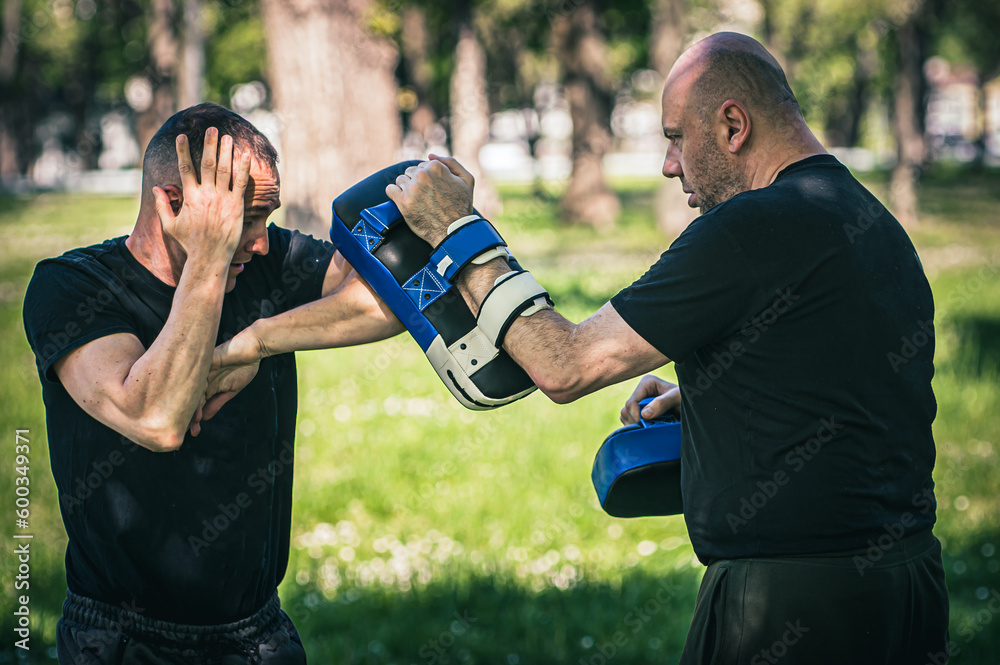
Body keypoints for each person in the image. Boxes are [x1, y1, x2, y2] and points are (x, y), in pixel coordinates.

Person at [387, 32, 949, 665]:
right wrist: (711, 389)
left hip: (793, 605)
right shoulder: (866, 217)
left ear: (733, 124)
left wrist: (457, 234)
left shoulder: (749, 227)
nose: (668, 164)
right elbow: (852, 365)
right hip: (909, 589)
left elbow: (563, 364)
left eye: (677, 137)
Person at [23, 103, 402, 663]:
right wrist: (207, 256)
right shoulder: (74, 288)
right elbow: (155, 417)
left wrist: (259, 339)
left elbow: (397, 297)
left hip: (258, 633)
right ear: (173, 206)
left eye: (265, 219)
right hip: (124, 641)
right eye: (244, 219)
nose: (259, 242)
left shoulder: (266, 264)